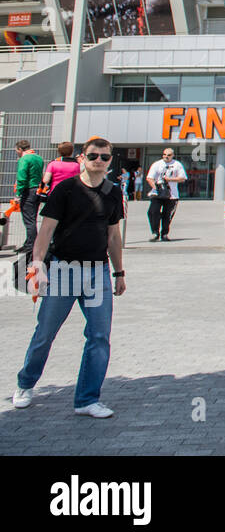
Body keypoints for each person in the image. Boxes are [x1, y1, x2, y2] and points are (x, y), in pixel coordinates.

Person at [12, 136, 125, 419]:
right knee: (45, 333)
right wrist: (37, 265)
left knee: (99, 336)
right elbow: (46, 229)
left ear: (110, 160)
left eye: (105, 157)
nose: (99, 160)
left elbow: (113, 236)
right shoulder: (65, 190)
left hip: (97, 272)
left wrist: (119, 272)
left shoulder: (113, 192)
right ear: (81, 158)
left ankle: (87, 399)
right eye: (93, 156)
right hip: (63, 270)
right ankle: (25, 384)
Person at [145, 148, 186, 242]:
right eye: (164, 154)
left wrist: (170, 179)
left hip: (172, 195)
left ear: (173, 155)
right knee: (153, 212)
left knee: (167, 215)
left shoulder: (177, 165)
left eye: (168, 155)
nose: (166, 157)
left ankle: (164, 234)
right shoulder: (157, 164)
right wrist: (156, 188)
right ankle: (155, 232)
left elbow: (182, 178)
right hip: (157, 194)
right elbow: (149, 178)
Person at [14, 139, 45, 264]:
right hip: (37, 190)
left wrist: (18, 193)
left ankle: (31, 245)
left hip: (28, 190)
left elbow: (22, 175)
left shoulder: (24, 159)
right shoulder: (38, 158)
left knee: (28, 219)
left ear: (20, 149)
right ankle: (29, 242)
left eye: (16, 150)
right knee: (33, 217)